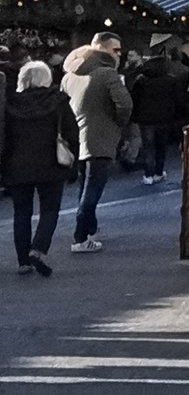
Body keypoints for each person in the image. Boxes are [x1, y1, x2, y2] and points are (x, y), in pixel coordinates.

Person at [4, 61, 79, 276]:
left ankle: (22, 261)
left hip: (17, 164)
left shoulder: (10, 104)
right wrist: (74, 166)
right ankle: (38, 248)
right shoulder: (58, 101)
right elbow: (72, 133)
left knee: (21, 212)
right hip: (52, 163)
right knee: (49, 210)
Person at [60, 33, 129, 254]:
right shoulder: (107, 74)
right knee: (92, 191)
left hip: (77, 139)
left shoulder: (69, 76)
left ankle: (89, 229)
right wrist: (117, 124)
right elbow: (125, 105)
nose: (119, 54)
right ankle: (80, 237)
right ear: (102, 49)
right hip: (100, 138)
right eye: (115, 49)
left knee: (84, 187)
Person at [128, 53, 186, 186]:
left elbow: (134, 99)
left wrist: (134, 116)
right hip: (165, 118)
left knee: (148, 147)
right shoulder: (171, 80)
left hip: (145, 119)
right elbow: (178, 100)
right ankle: (158, 172)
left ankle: (148, 175)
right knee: (161, 146)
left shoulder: (141, 80)